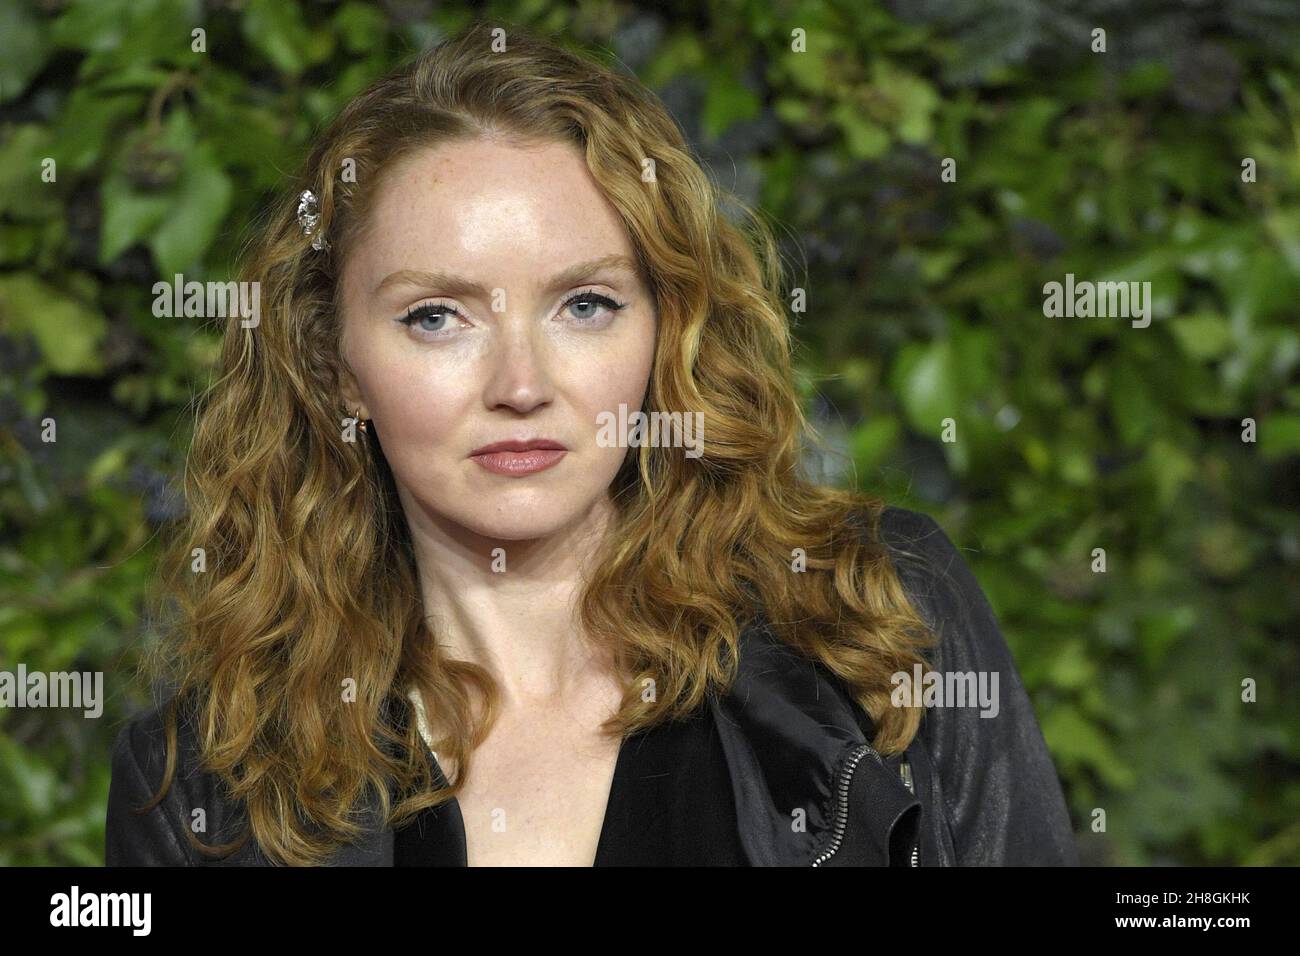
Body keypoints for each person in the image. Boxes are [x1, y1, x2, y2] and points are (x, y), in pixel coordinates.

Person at [105, 20, 1078, 867]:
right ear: (334, 363)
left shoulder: (870, 612)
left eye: (585, 304)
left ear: (665, 331)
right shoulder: (208, 775)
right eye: (437, 316)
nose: (520, 385)